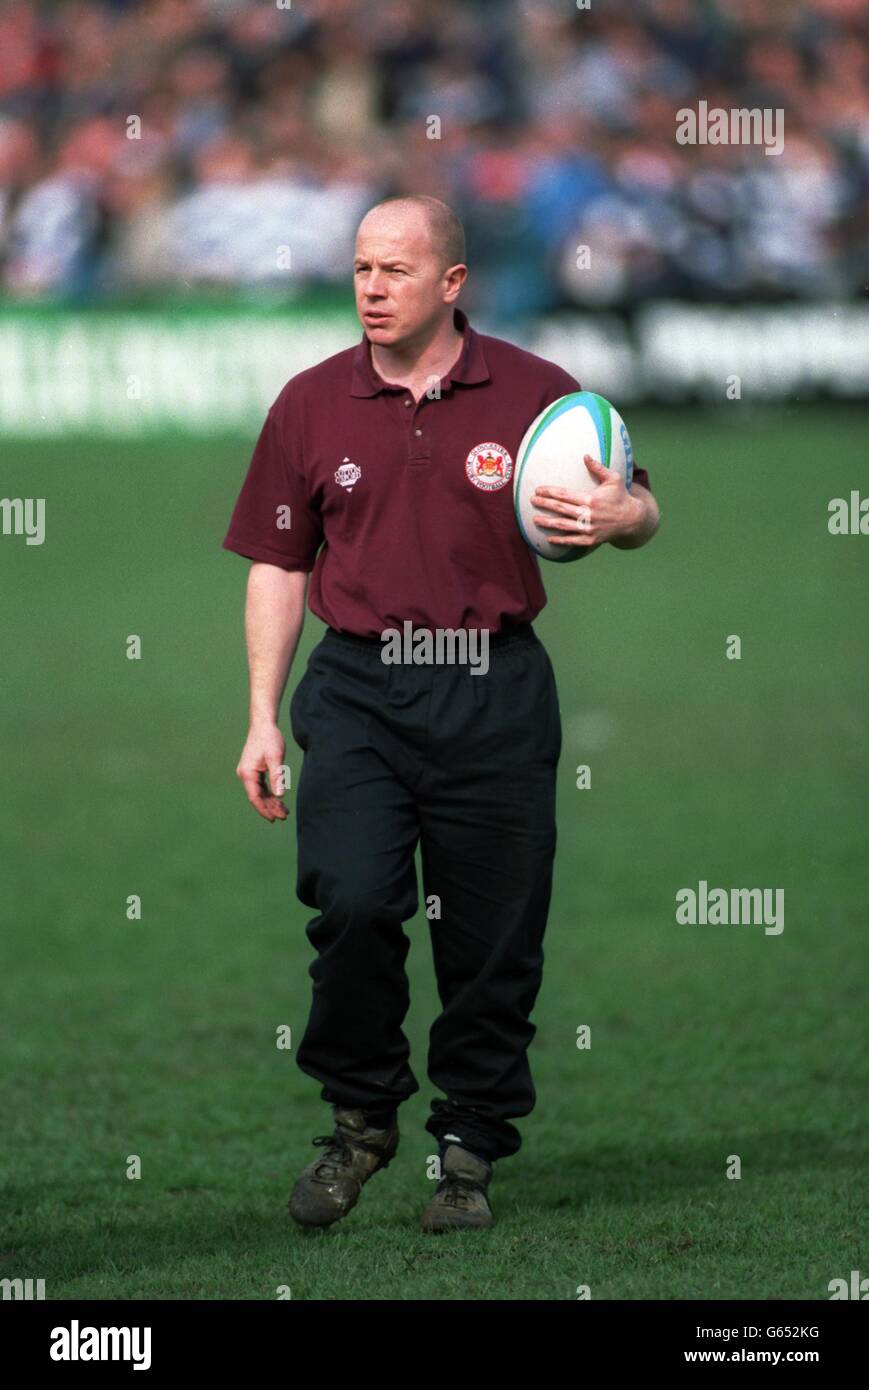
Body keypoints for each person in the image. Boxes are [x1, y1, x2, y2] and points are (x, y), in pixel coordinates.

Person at [222, 194, 660, 1232]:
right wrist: (260, 716)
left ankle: (467, 1147)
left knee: (491, 939)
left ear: (451, 283)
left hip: (492, 687)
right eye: (361, 269)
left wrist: (624, 514)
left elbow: (636, 499)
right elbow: (279, 565)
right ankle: (360, 1115)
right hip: (359, 689)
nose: (371, 288)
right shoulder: (308, 402)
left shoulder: (536, 392)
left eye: (395, 271)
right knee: (356, 902)